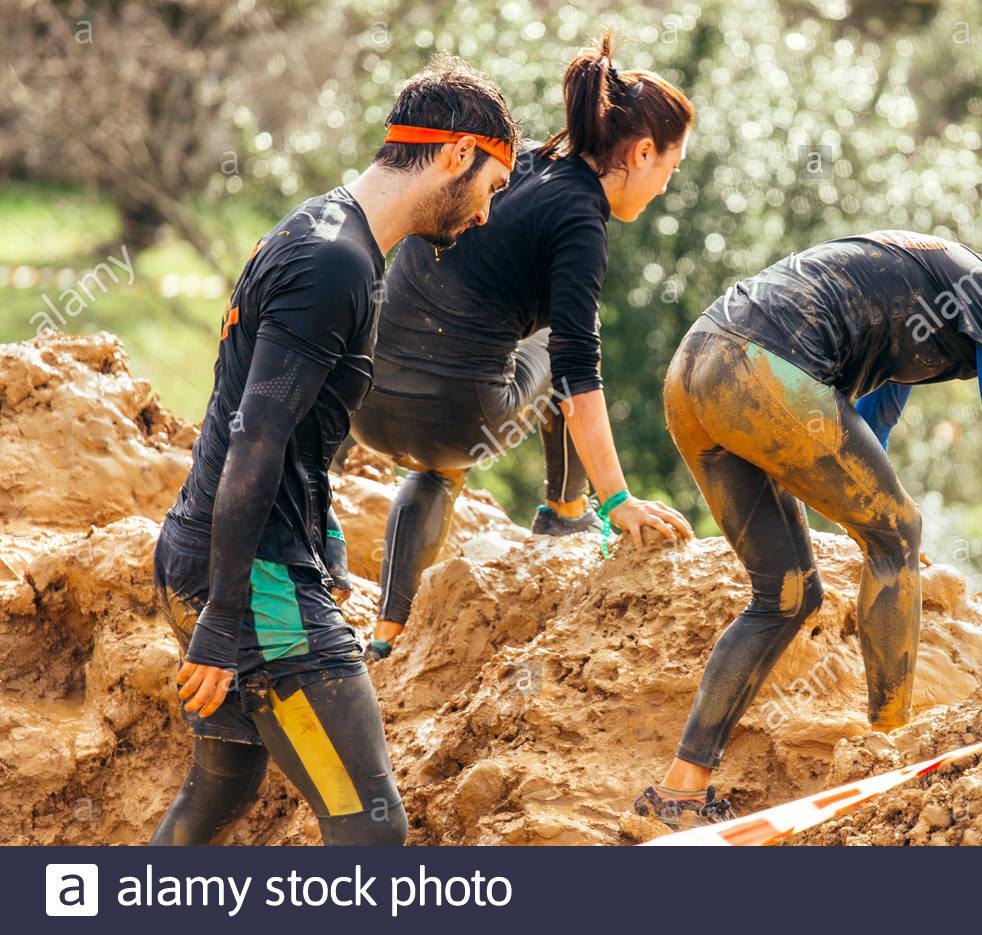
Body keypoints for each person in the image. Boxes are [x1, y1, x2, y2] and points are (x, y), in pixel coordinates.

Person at [635, 190, 982, 828]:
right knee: (900, 534)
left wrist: (874, 527)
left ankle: (678, 793)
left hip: (698, 365)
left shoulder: (949, 286)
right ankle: (891, 760)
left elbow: (872, 419)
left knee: (785, 594)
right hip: (759, 369)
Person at [149, 57, 519, 846]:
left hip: (214, 554)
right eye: (491, 185)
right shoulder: (335, 265)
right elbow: (256, 433)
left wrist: (325, 537)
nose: (486, 214)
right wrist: (227, 617)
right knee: (372, 828)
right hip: (256, 588)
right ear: (457, 153)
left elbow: (296, 430)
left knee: (218, 795)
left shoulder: (322, 230)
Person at [351, 32, 694, 662]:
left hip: (367, 405)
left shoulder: (522, 164)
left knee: (438, 461)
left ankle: (386, 632)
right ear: (643, 152)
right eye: (671, 169)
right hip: (458, 418)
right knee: (568, 345)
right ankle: (568, 509)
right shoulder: (580, 217)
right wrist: (618, 500)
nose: (666, 187)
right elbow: (576, 375)